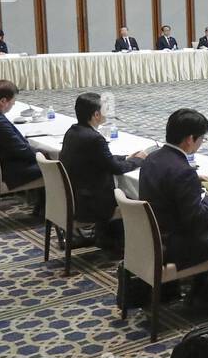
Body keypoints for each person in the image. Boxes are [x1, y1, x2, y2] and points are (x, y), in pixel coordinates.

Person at [135, 108, 208, 268]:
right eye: (202, 138)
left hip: (150, 235)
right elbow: (195, 218)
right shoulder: (183, 171)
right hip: (172, 243)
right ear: (189, 139)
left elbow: (167, 182)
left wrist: (194, 178)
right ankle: (201, 291)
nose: (201, 143)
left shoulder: (152, 157)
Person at [58, 92, 146, 251]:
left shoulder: (73, 131)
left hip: (74, 196)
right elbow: (116, 168)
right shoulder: (94, 139)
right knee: (132, 197)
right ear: (96, 114)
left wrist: (127, 157)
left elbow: (102, 159)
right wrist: (139, 160)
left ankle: (107, 237)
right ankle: (122, 243)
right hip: (91, 203)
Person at [0, 79, 43, 194]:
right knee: (56, 169)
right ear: (3, 101)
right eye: (13, 102)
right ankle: (43, 207)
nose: (13, 104)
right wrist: (41, 156)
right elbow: (21, 150)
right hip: (7, 170)